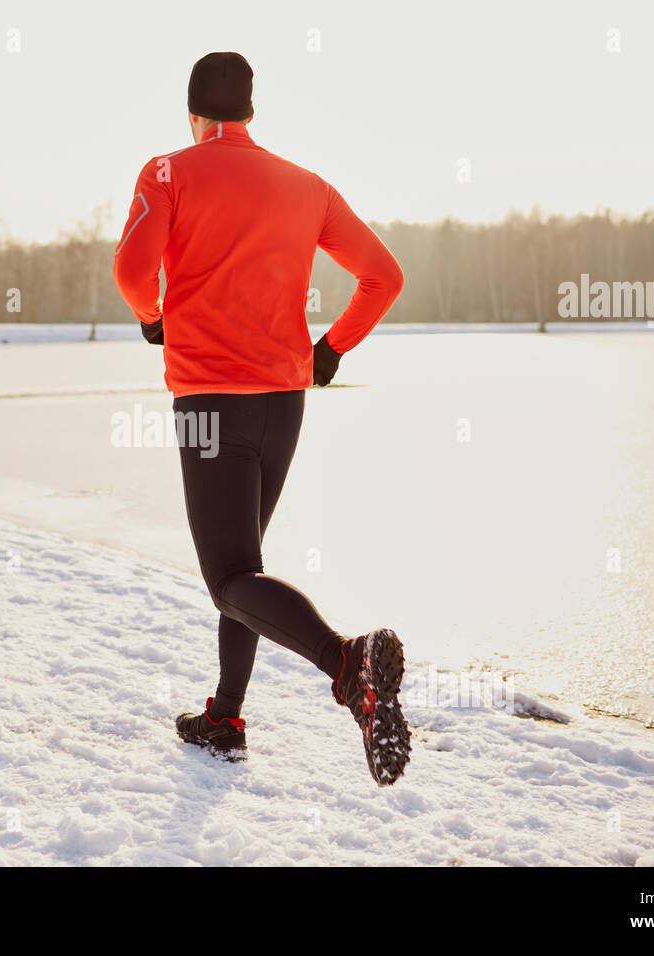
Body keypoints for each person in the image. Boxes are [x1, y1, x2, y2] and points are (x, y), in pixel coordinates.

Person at [112, 52, 409, 786]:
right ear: (249, 112)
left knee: (229, 577)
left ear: (193, 114)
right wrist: (331, 347)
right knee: (246, 568)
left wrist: (155, 319)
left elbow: (130, 269)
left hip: (210, 402)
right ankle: (225, 718)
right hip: (285, 400)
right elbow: (384, 277)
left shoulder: (168, 171)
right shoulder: (306, 185)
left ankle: (348, 664)